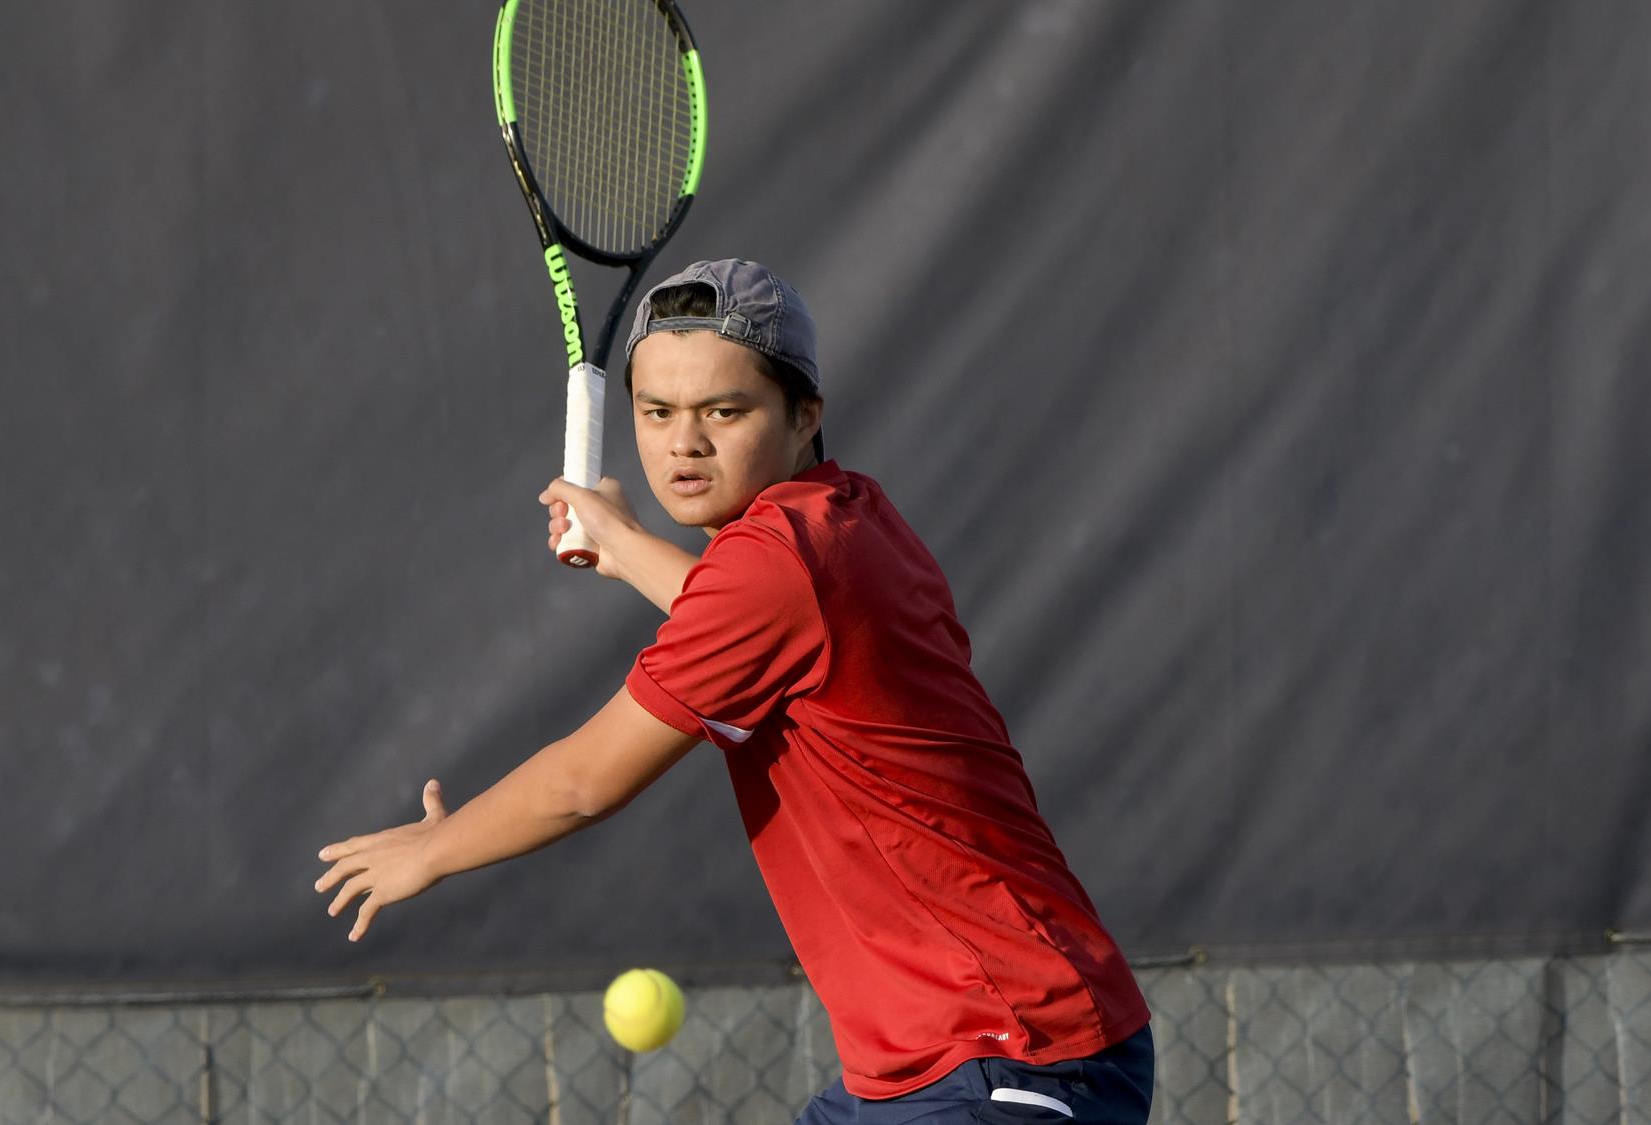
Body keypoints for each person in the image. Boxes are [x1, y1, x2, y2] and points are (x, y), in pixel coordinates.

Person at [314, 259, 1154, 1123]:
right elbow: (763, 629)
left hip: (1007, 1053)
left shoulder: (771, 567)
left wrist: (436, 848)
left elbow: (584, 781)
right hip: (938, 1059)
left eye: (725, 410)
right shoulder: (846, 516)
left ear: (805, 413)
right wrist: (627, 543)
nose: (685, 443)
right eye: (657, 412)